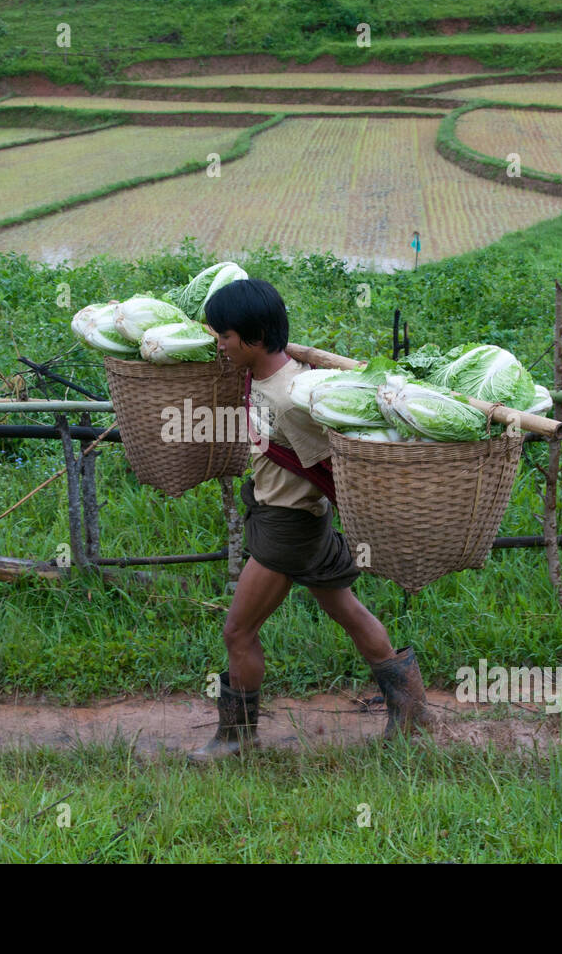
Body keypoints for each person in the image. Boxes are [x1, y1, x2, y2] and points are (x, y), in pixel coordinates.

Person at [190, 277, 434, 762]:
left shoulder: (291, 398)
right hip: (292, 518)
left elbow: (334, 464)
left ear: (254, 340)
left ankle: (238, 737)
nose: (219, 344)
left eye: (225, 337)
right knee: (347, 610)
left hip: (289, 527)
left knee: (237, 632)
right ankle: (413, 714)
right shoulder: (272, 374)